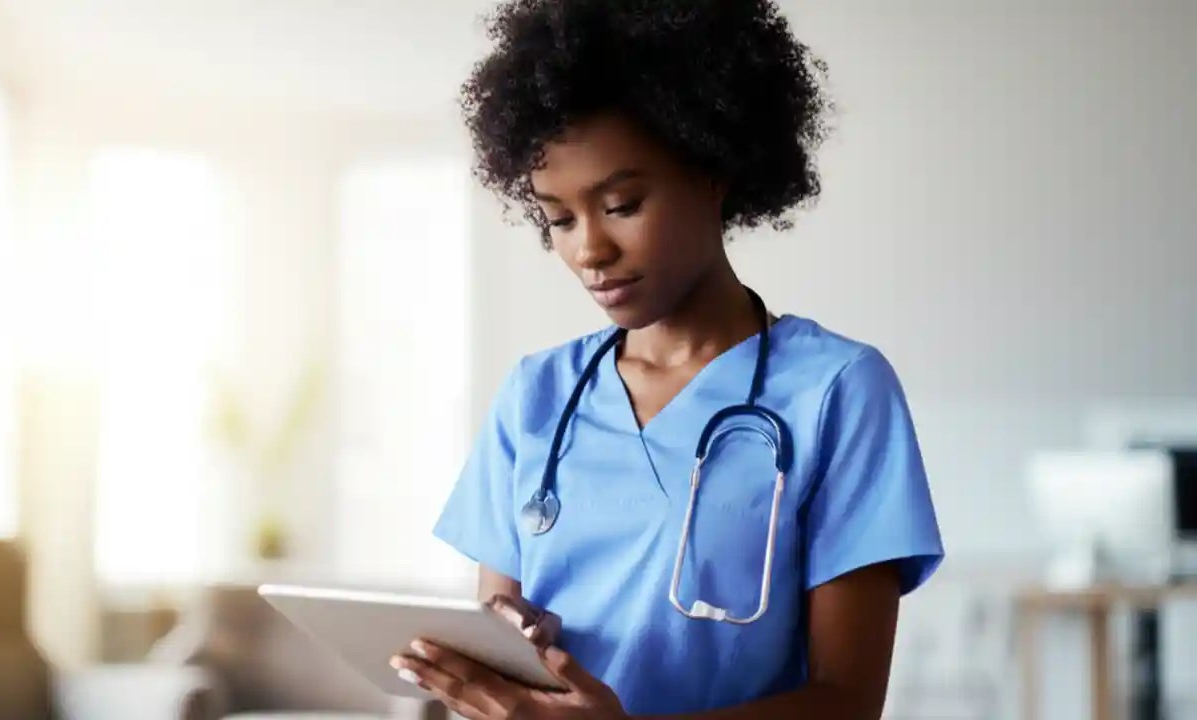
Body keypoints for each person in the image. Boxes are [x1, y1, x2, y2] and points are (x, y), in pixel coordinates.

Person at [389, 1, 944, 718]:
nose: (589, 250)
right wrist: (501, 660)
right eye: (559, 218)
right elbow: (502, 625)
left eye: (621, 204)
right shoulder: (537, 395)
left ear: (712, 170)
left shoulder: (836, 390)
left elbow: (848, 701)